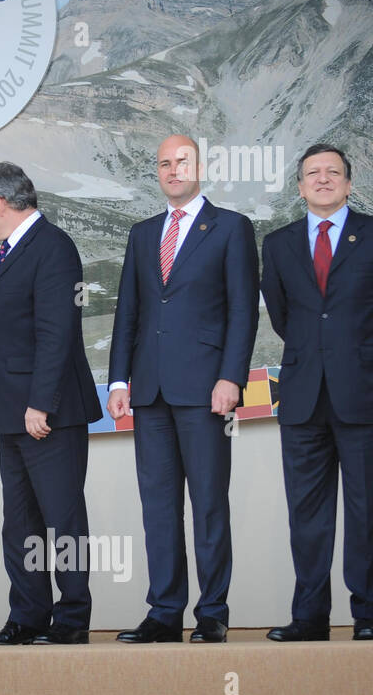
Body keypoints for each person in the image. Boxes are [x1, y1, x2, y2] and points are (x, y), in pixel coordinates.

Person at [106, 135, 259, 644]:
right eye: (165, 164)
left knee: (210, 502)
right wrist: (119, 379)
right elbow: (129, 311)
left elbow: (243, 310)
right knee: (158, 506)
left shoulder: (232, 228)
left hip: (206, 389)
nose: (173, 170)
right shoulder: (142, 233)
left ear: (201, 167)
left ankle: (212, 611)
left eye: (182, 162)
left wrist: (231, 377)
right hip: (149, 391)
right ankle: (165, 612)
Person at [260, 143, 373, 642]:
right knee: (306, 514)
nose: (322, 179)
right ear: (300, 187)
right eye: (312, 173)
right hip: (304, 393)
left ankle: (367, 614)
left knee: (368, 509)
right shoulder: (278, 243)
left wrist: (362, 354)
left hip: (366, 391)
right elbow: (284, 317)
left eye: (333, 172)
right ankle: (309, 618)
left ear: (349, 183)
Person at [0, 165, 102, 646]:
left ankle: (71, 621)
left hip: (47, 413)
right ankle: (28, 615)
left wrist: (40, 404)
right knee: (21, 521)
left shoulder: (52, 247)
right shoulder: (12, 251)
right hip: (12, 414)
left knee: (62, 519)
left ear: (1, 203)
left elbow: (57, 332)